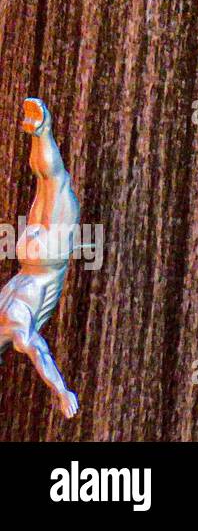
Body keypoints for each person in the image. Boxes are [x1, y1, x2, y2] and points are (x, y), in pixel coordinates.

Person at [0, 100, 82, 419]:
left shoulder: (16, 327)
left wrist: (62, 391)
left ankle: (42, 129)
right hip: (30, 254)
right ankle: (39, 133)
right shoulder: (9, 320)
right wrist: (60, 392)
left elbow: (40, 352)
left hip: (47, 258)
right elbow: (38, 354)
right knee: (47, 181)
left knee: (55, 181)